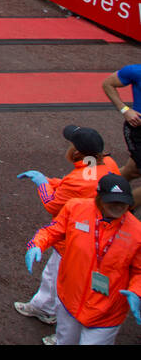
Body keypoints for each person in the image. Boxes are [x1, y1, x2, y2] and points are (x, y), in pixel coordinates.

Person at [14, 125, 120, 335]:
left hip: (74, 238)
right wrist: (51, 182)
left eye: (71, 145)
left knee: (61, 281)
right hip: (100, 238)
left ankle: (53, 318)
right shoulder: (108, 163)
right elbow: (69, 184)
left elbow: (52, 204)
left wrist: (43, 184)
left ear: (79, 152)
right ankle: (45, 308)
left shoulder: (79, 179)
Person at [26, 173, 141, 345]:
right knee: (64, 341)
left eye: (122, 203)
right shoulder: (76, 208)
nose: (117, 207)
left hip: (107, 312)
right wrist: (36, 244)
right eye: (112, 201)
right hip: (69, 300)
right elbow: (52, 231)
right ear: (99, 198)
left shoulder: (137, 232)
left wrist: (136, 292)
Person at [100, 64, 141, 198]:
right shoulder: (136, 71)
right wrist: (124, 109)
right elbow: (108, 83)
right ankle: (122, 210)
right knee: (134, 170)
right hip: (138, 129)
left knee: (132, 170)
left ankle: (99, 191)